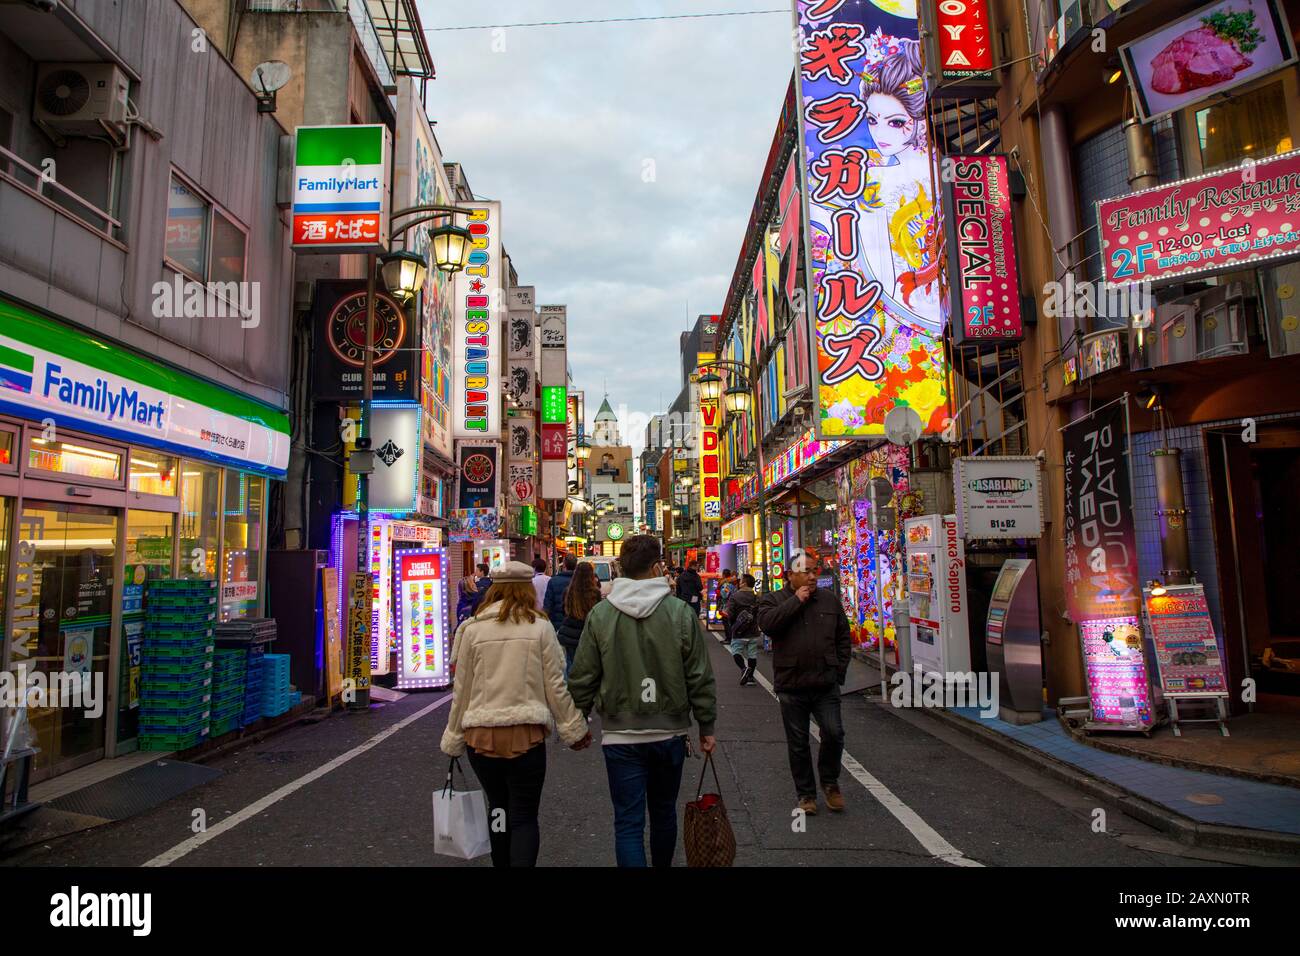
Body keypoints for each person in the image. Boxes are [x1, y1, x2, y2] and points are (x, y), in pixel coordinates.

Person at [568, 535, 717, 868]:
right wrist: (706, 724)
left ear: (621, 567)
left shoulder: (601, 615)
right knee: (664, 813)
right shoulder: (679, 612)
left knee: (628, 823)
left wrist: (578, 721)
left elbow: (583, 676)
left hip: (621, 735)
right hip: (669, 732)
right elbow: (698, 674)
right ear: (656, 567)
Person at [441, 562, 593, 867]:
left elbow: (463, 690)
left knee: (497, 807)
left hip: (480, 737)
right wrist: (574, 729)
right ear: (527, 590)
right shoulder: (539, 627)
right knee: (524, 816)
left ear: (494, 589)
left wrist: (454, 737)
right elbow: (555, 686)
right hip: (526, 734)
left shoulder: (472, 630)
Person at [756, 549, 852, 816]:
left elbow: (843, 637)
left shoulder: (829, 601)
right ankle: (806, 794)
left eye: (814, 571)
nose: (812, 577)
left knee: (834, 733)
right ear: (790, 575)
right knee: (798, 742)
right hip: (791, 683)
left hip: (825, 683)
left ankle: (830, 782)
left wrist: (838, 671)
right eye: (805, 572)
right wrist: (796, 601)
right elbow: (767, 625)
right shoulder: (774, 600)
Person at [556, 562, 601, 677]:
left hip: (570, 633)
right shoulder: (595, 593)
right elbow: (598, 613)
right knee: (589, 663)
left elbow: (563, 610)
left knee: (571, 662)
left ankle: (572, 688)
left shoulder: (569, 591)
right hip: (588, 632)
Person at [724, 573, 760, 686]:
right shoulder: (757, 597)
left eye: (740, 581)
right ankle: (750, 678)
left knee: (736, 651)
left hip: (739, 631)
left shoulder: (735, 596)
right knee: (752, 654)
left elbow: (729, 613)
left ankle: (743, 669)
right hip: (753, 631)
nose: (739, 583)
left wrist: (731, 623)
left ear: (744, 583)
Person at [543, 553, 576, 629]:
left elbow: (547, 605)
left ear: (564, 565)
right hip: (576, 624)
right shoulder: (580, 581)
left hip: (557, 624)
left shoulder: (553, 581)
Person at [717, 568, 737, 643]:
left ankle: (729, 638)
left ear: (724, 575)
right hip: (731, 604)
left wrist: (719, 592)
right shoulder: (732, 583)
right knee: (729, 622)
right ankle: (729, 638)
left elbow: (725, 595)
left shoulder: (726, 584)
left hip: (726, 605)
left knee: (726, 622)